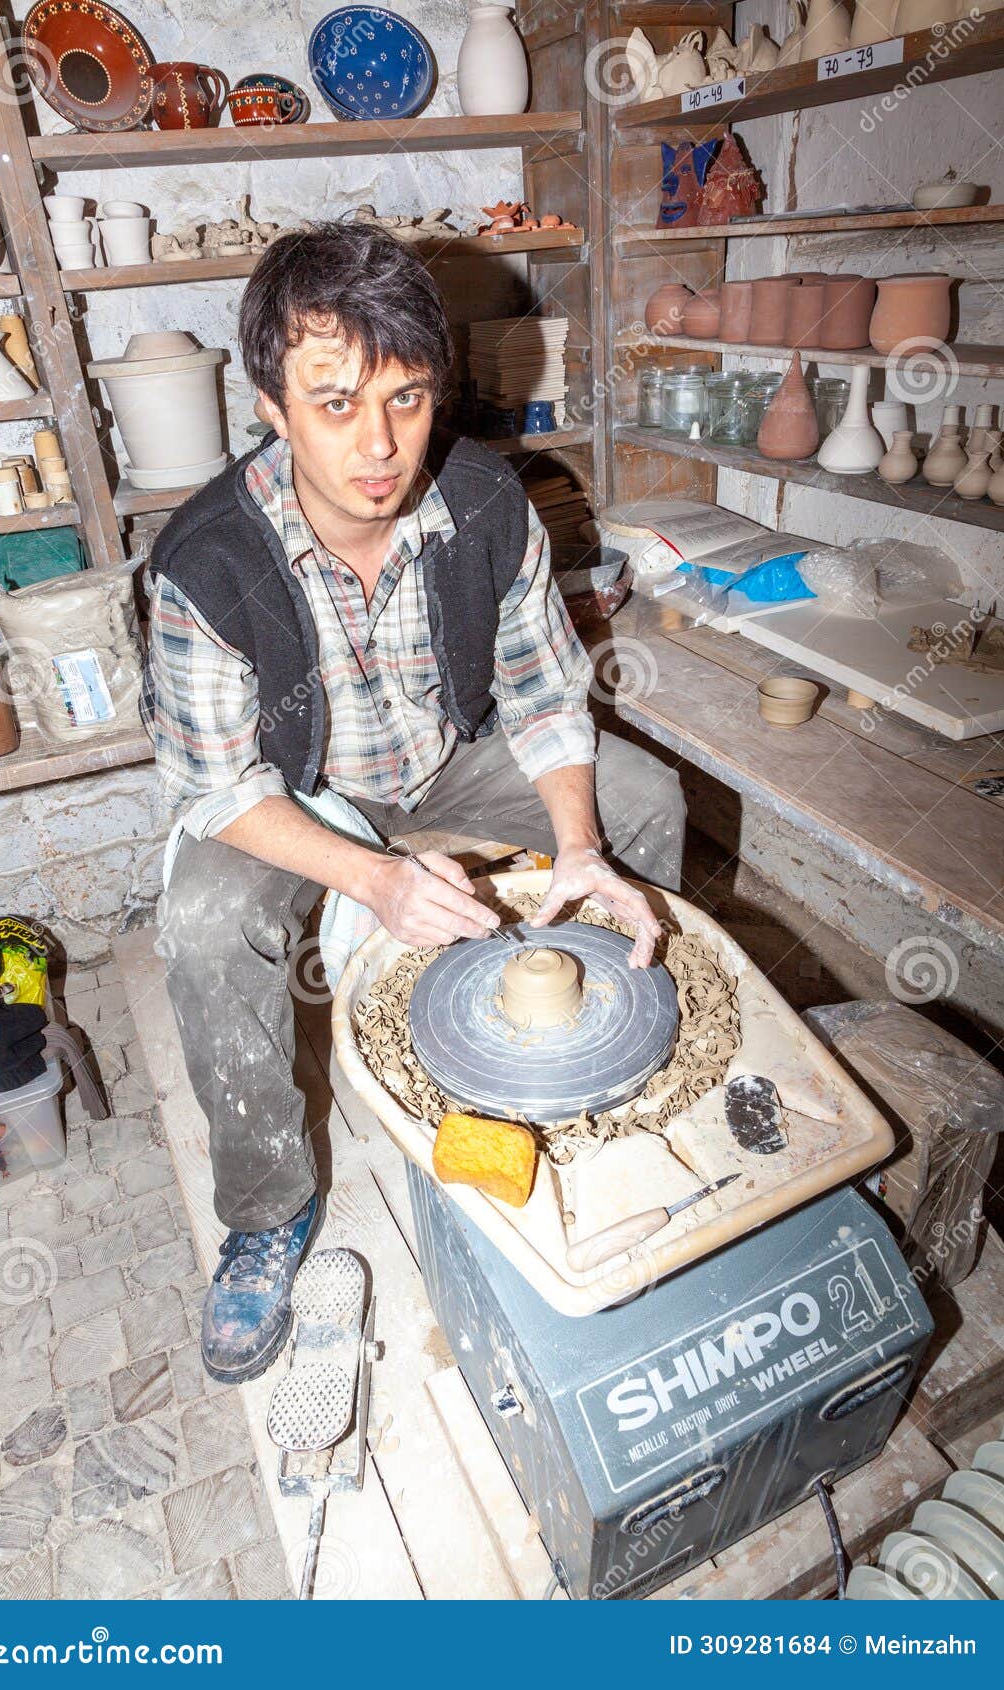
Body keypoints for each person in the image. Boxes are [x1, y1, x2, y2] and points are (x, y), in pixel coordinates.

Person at [145, 221, 685, 1384]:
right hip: (301, 795)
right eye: (335, 403)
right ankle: (268, 1206)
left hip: (447, 761)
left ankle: (587, 1067)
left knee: (640, 800)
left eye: (406, 397)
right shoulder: (204, 560)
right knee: (199, 925)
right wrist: (378, 878)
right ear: (272, 405)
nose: (379, 444)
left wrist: (581, 845)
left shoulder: (490, 503)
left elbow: (544, 695)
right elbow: (216, 785)